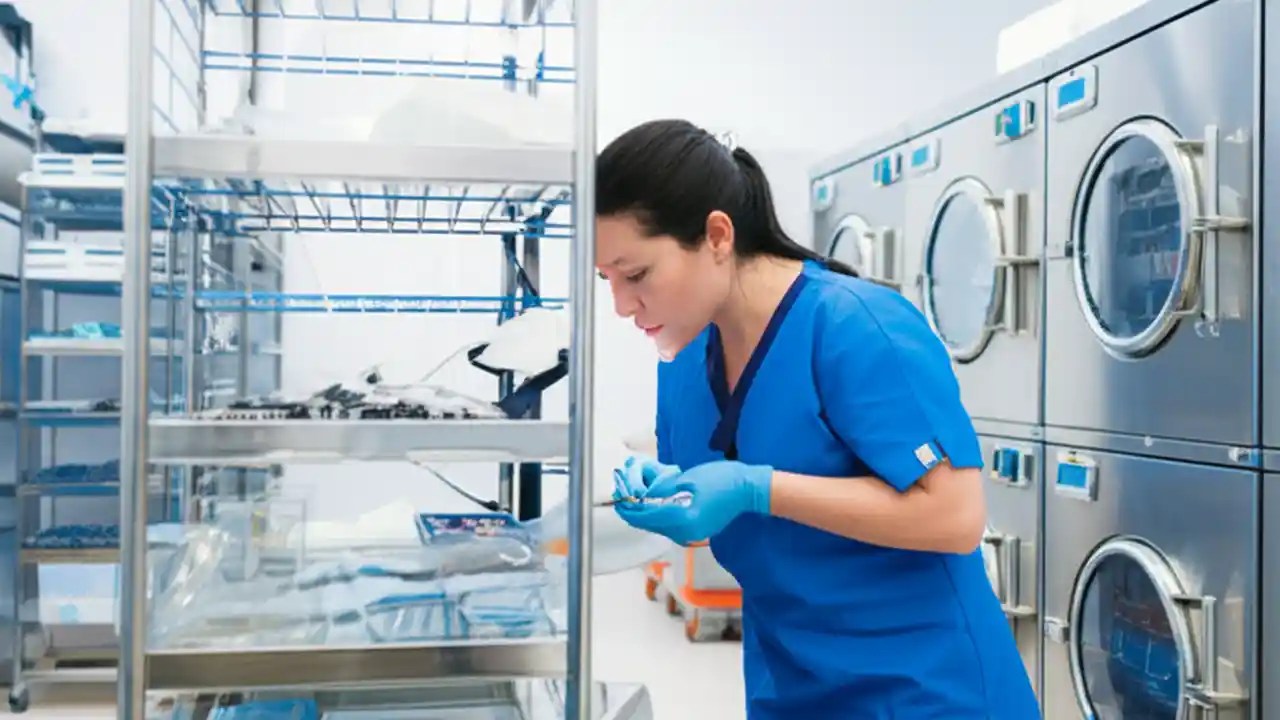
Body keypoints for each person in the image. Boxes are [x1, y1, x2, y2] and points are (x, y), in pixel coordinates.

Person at [594, 119, 1041, 719]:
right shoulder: (683, 359)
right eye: (608, 282)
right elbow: (720, 524)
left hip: (924, 689)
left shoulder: (855, 327)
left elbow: (955, 516)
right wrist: (669, 501)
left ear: (717, 236)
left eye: (637, 274)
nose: (622, 306)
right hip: (792, 686)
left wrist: (759, 488)